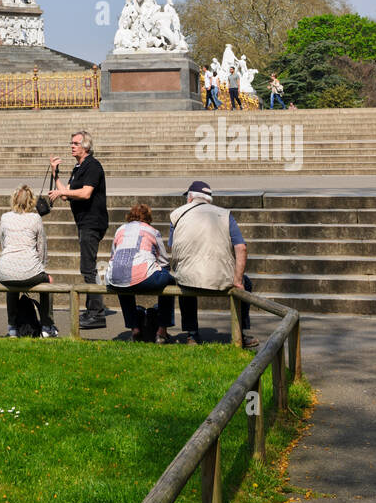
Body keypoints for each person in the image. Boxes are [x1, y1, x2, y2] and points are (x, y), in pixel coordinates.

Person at [169, 180, 258, 349]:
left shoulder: (177, 215)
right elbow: (241, 247)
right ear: (209, 199)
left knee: (184, 280)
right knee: (246, 283)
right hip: (221, 277)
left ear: (190, 198)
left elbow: (173, 247)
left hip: (188, 277)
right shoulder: (225, 215)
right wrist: (238, 280)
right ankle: (240, 332)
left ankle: (192, 335)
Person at [49, 129, 109, 330]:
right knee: (87, 267)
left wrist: (62, 191)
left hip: (92, 222)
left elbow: (85, 193)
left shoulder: (93, 166)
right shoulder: (78, 167)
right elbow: (65, 195)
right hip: (83, 222)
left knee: (88, 267)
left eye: (75, 143)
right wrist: (55, 174)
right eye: (71, 143)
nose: (71, 146)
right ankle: (93, 310)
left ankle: (96, 314)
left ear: (85, 146)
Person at [106, 203, 174, 343]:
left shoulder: (120, 230)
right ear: (148, 218)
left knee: (123, 283)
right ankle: (162, 331)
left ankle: (135, 328)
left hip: (115, 277)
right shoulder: (153, 231)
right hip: (144, 277)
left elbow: (113, 254)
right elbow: (164, 261)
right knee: (170, 280)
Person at [0, 185, 56, 338]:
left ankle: (12, 326)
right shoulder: (35, 218)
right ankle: (47, 325)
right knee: (48, 282)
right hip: (30, 269)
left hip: (6, 268)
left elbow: (3, 243)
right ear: (32, 201)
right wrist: (41, 267)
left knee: (11, 282)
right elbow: (41, 247)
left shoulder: (5, 217)